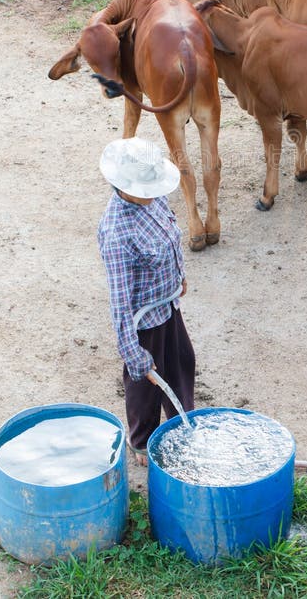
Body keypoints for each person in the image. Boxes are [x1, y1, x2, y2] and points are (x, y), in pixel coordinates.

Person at [97, 136, 195, 465]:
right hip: (143, 320)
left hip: (167, 305)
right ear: (124, 186)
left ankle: (183, 421)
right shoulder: (116, 233)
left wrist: (178, 276)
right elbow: (120, 302)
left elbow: (172, 234)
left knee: (181, 360)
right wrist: (132, 352)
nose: (153, 193)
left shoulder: (153, 200)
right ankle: (140, 440)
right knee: (145, 380)